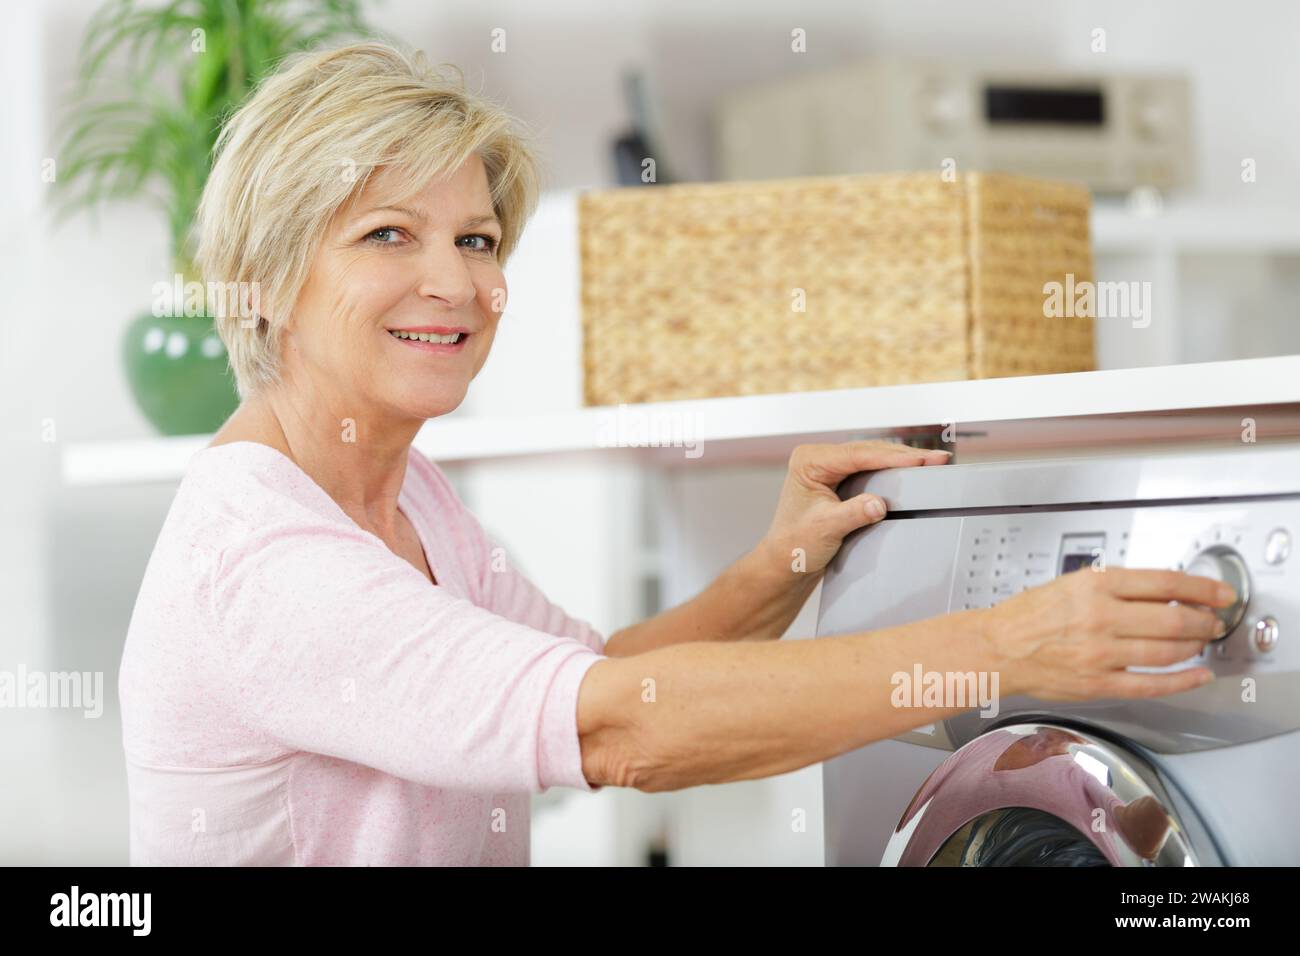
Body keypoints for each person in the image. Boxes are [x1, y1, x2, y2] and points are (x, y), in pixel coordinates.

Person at [118, 40, 1230, 866]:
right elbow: (623, 727)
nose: (454, 283)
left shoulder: (409, 496)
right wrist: (1009, 644)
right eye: (386, 235)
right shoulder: (263, 560)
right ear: (258, 283)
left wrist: (781, 561)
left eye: (476, 238)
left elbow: (606, 671)